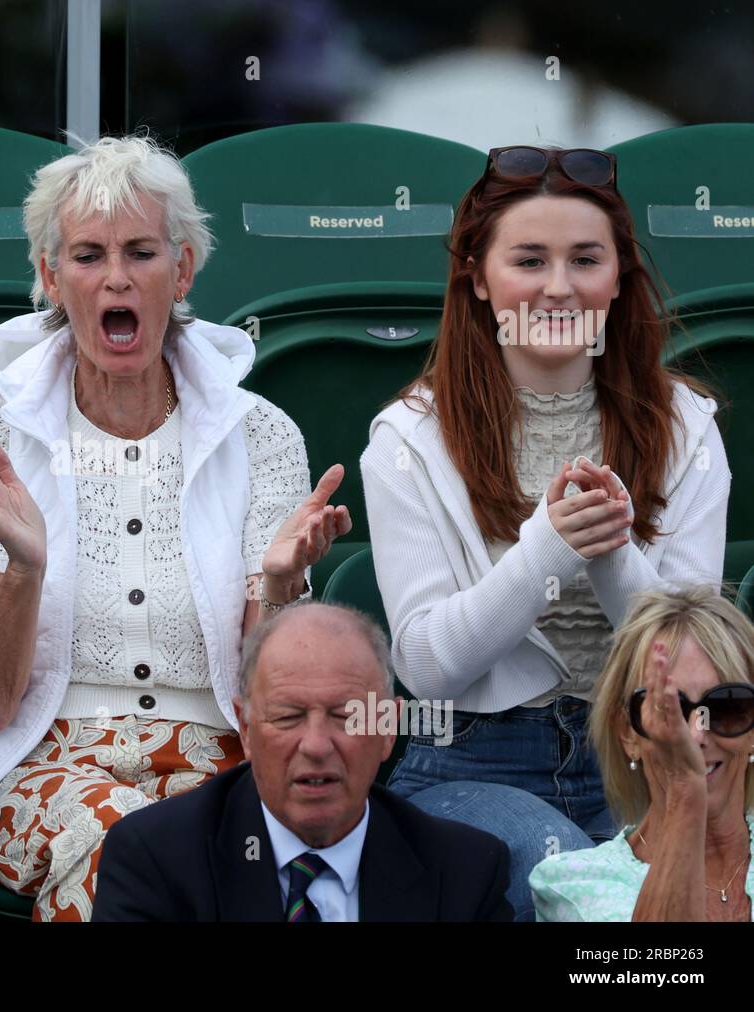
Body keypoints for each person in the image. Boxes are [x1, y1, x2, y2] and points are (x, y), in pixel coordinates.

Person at [0, 134, 352, 921]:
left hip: (221, 756)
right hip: (37, 759)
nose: (116, 276)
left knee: (248, 865)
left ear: (181, 271)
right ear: (50, 277)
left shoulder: (263, 436)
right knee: (129, 852)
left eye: (142, 252)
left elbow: (269, 690)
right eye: (87, 256)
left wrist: (282, 586)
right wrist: (24, 570)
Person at [359, 145, 730, 918]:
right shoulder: (409, 436)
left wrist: (610, 554)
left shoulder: (688, 426)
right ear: (478, 274)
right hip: (469, 765)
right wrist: (548, 551)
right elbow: (428, 666)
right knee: (576, 888)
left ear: (619, 277)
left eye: (585, 259)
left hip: (642, 757)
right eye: (529, 259)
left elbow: (692, 671)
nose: (558, 287)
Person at [92, 602, 513, 921]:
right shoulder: (154, 859)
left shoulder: (464, 872)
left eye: (346, 716)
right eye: (288, 717)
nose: (315, 745)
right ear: (246, 728)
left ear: (388, 727)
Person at [531, 585, 754, 920]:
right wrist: (684, 784)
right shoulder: (572, 884)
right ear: (627, 734)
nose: (694, 735)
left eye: (727, 706)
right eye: (668, 710)